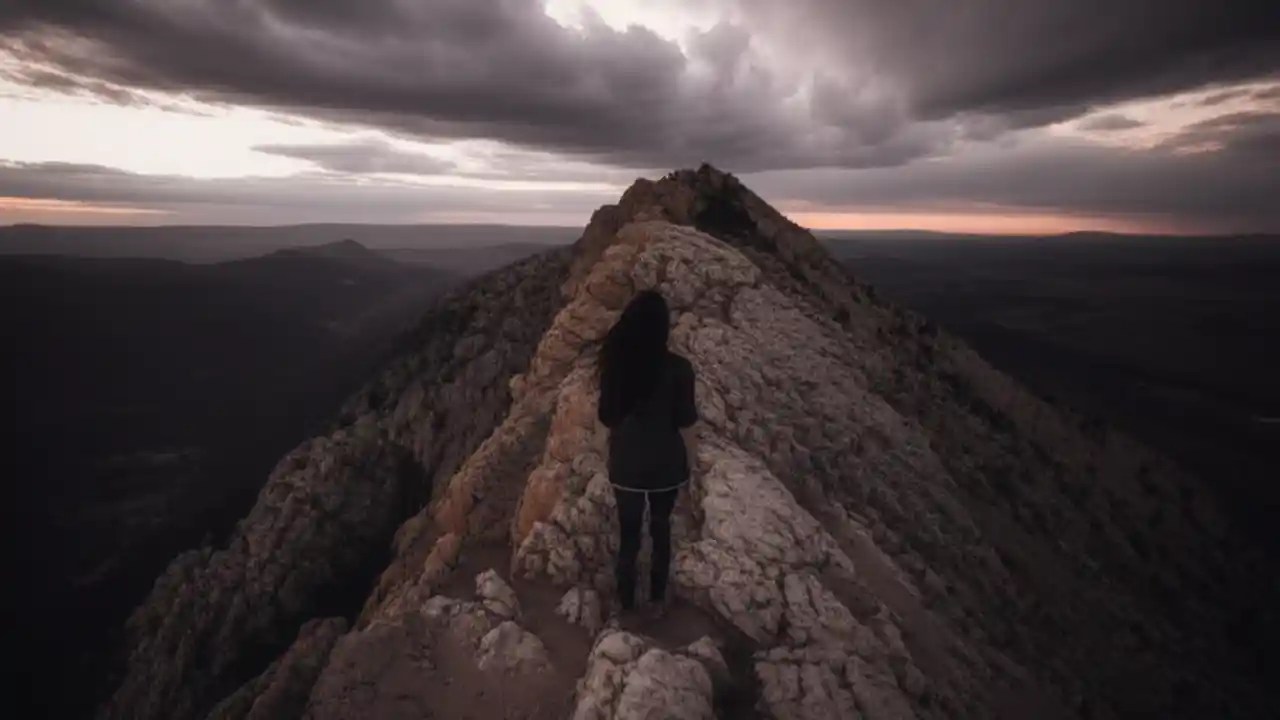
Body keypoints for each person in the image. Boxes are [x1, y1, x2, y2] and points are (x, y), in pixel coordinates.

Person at [597, 290, 698, 615]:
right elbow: (685, 421)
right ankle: (656, 598)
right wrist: (692, 464)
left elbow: (606, 417)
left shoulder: (616, 365)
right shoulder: (680, 369)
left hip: (626, 464)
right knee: (660, 527)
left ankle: (625, 601)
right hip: (666, 466)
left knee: (628, 534)